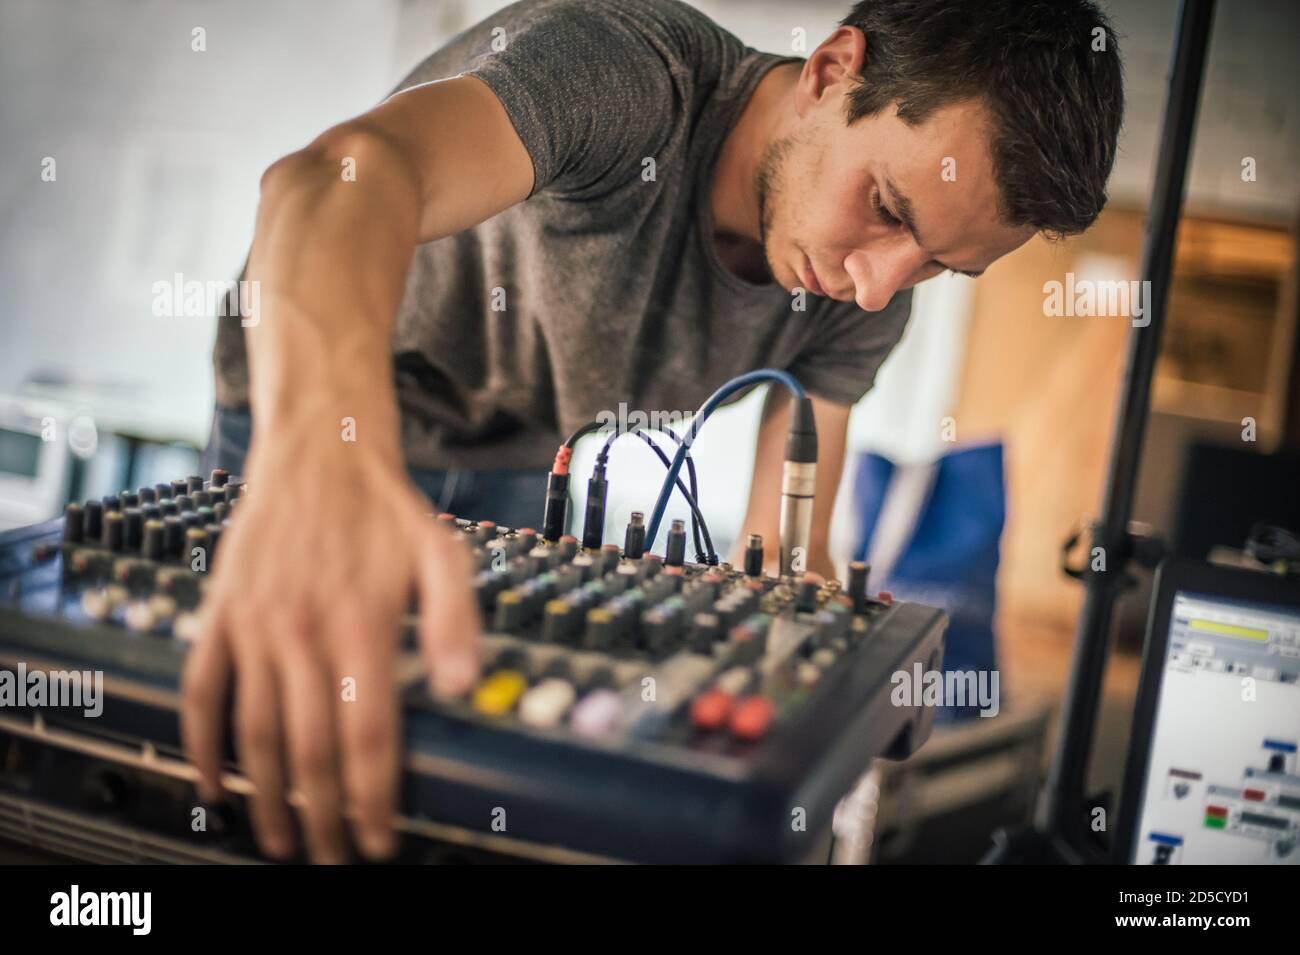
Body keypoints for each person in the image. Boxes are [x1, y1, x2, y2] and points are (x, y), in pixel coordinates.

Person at [183, 0, 1124, 862]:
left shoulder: (867, 299)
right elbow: (327, 180)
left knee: (437, 779)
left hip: (513, 453)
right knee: (247, 753)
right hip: (324, 405)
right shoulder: (627, 75)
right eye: (886, 207)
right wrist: (323, 463)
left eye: (937, 268)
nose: (877, 283)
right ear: (834, 71)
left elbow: (783, 548)